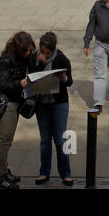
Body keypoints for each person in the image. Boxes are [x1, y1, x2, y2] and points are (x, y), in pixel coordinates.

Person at [0, 31, 36, 188]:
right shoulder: (7, 60)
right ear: (19, 49)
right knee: (5, 140)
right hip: (7, 103)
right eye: (26, 51)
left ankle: (4, 171)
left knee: (8, 140)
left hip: (16, 101)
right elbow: (3, 84)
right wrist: (20, 84)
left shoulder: (21, 57)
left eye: (30, 50)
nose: (29, 53)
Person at [32, 31, 74, 186]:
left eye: (47, 53)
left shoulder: (62, 59)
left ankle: (65, 173)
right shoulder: (35, 58)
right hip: (42, 103)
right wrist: (40, 64)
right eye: (42, 52)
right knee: (45, 140)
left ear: (53, 50)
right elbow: (31, 78)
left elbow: (69, 82)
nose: (44, 55)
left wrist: (64, 79)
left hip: (59, 103)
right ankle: (44, 172)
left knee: (61, 138)